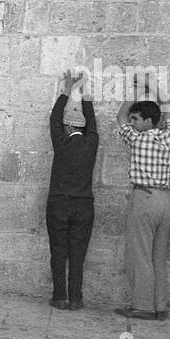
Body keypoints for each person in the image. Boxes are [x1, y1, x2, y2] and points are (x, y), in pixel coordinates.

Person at [115, 71, 170, 320]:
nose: (131, 122)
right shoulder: (169, 136)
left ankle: (142, 306)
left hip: (144, 199)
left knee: (140, 254)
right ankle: (159, 306)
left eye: (136, 119)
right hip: (165, 200)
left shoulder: (136, 139)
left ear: (147, 121)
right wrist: (154, 86)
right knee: (158, 256)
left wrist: (137, 88)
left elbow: (120, 115)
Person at [46, 69, 98, 311]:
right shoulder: (91, 144)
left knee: (58, 251)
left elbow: (54, 119)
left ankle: (59, 296)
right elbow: (93, 125)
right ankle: (75, 298)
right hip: (83, 204)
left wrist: (67, 90)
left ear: (67, 128)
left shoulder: (61, 143)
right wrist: (86, 95)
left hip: (59, 202)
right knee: (78, 253)